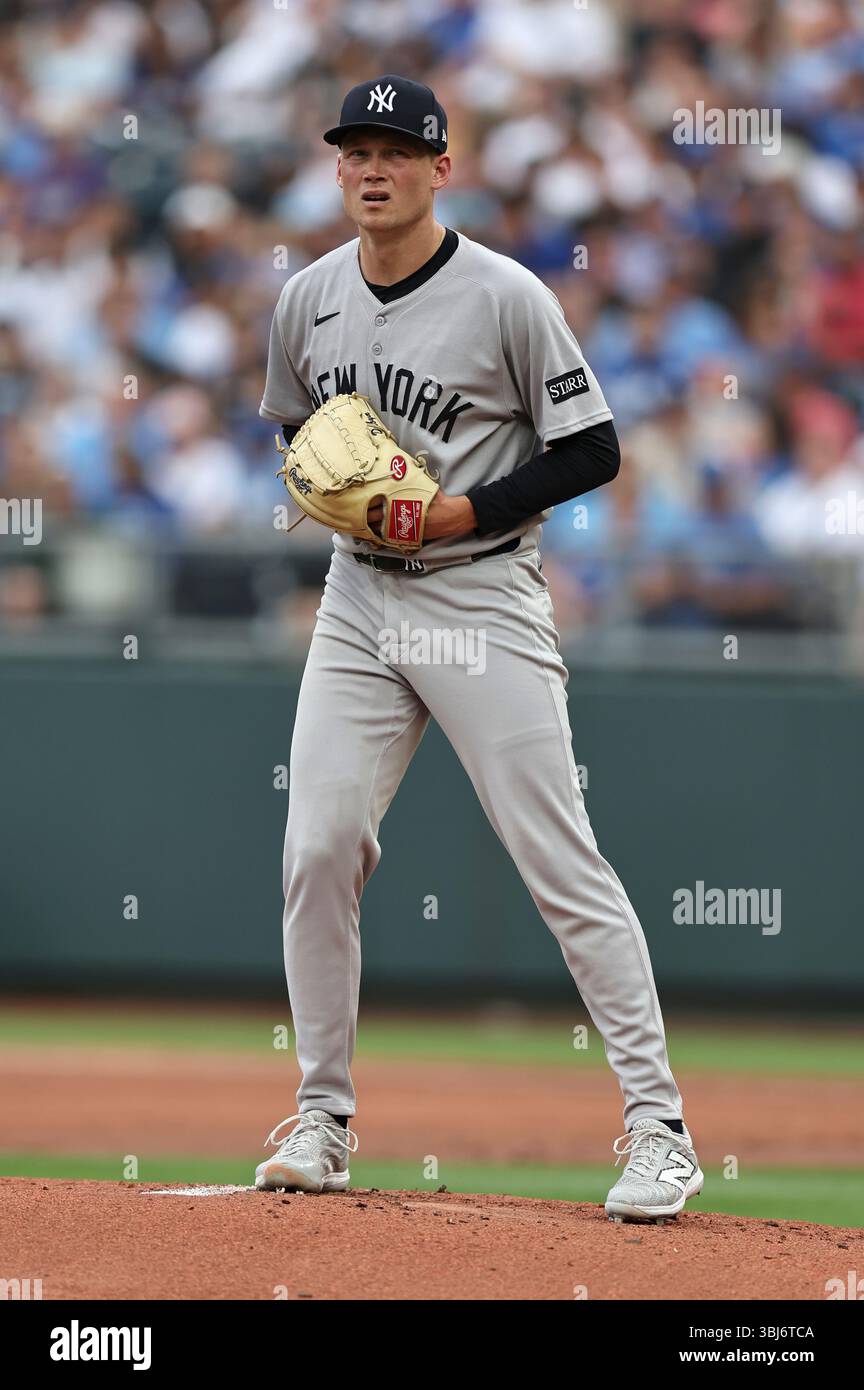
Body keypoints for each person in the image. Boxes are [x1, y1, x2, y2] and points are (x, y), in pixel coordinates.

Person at [254, 75, 703, 1223]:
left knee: (560, 860)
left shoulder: (506, 295)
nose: (372, 167)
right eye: (355, 148)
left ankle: (661, 1128)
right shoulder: (305, 297)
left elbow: (593, 447)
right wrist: (330, 489)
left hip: (481, 593)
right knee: (317, 848)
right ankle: (322, 1116)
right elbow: (292, 430)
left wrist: (462, 510)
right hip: (360, 596)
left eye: (396, 150)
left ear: (440, 168)